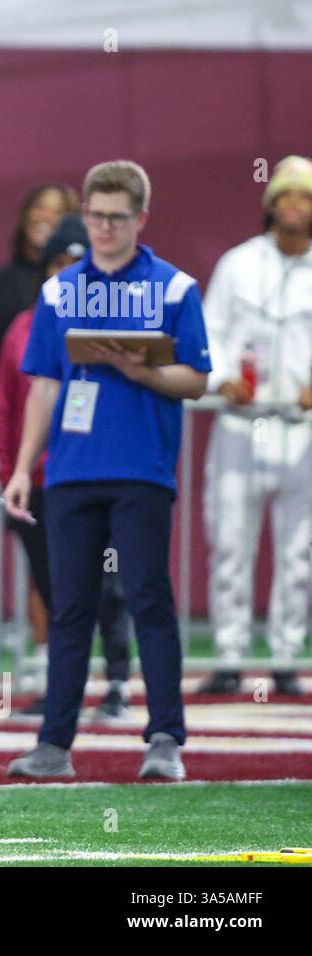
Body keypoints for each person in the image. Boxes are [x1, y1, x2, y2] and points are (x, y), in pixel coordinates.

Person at [4, 160, 210, 781]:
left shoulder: (175, 288)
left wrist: (141, 370)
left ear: (140, 218)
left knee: (150, 598)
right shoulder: (58, 290)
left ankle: (166, 737)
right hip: (68, 471)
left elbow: (197, 379)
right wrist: (22, 467)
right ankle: (55, 744)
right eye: (95, 216)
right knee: (70, 606)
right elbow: (42, 385)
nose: (104, 228)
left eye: (117, 218)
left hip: (143, 468)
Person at [0, 214, 132, 720]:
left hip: (96, 476)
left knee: (108, 586)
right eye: (58, 262)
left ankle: (117, 684)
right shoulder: (23, 327)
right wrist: (12, 472)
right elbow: (7, 406)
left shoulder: (113, 322)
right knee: (55, 589)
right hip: (39, 480)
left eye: (78, 263)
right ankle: (61, 689)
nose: (67, 272)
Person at [200, 155, 312, 698]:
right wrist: (221, 378)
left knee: (299, 549)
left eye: (305, 196)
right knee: (229, 543)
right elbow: (210, 332)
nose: (293, 204)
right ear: (268, 205)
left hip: (301, 429)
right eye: (284, 194)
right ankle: (229, 655)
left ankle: (288, 657)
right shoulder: (238, 265)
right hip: (241, 427)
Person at [0, 182, 79, 344]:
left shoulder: (82, 281)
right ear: (25, 214)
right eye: (39, 208)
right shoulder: (0, 283)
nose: (46, 216)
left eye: (58, 212)